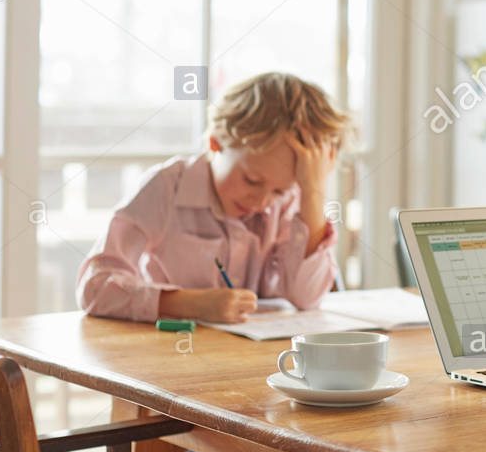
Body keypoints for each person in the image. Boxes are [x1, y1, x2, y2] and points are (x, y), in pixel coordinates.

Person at [77, 72, 354, 324]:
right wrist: (188, 304)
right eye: (252, 180)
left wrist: (313, 192)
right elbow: (95, 287)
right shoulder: (164, 188)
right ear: (215, 142)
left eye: (280, 190)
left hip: (247, 363)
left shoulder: (289, 205)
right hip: (167, 360)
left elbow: (307, 299)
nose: (261, 201)